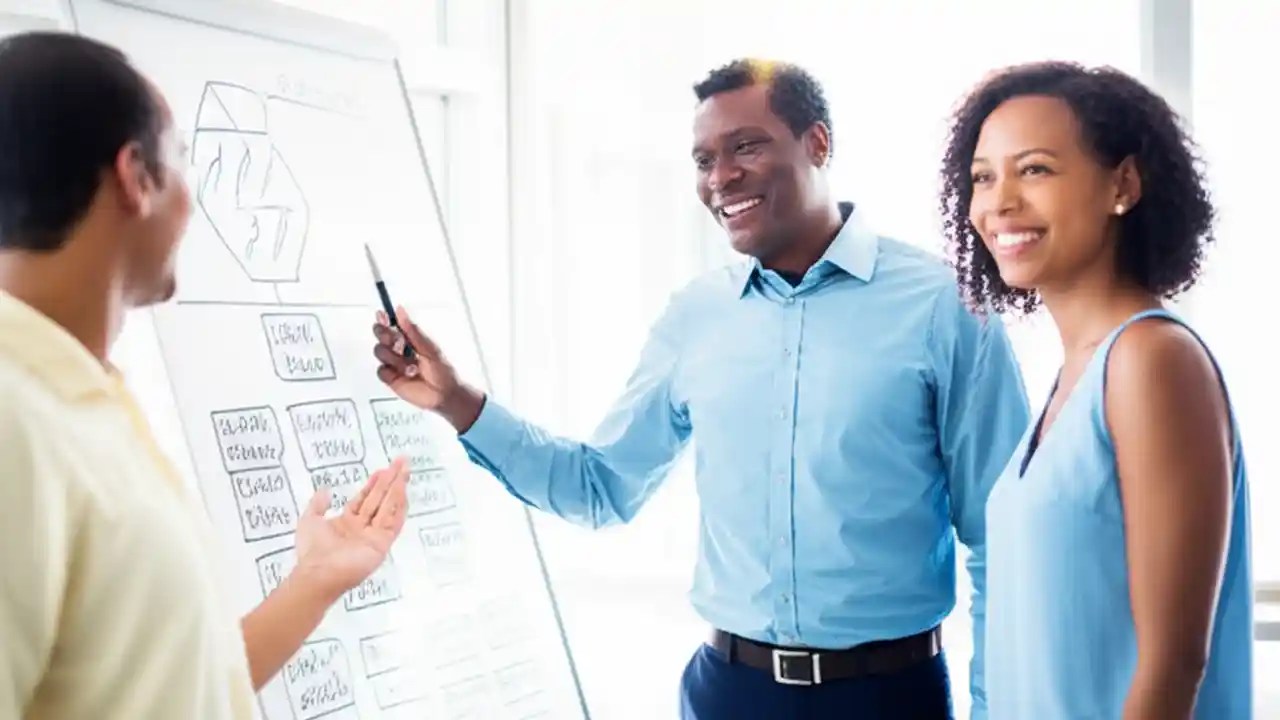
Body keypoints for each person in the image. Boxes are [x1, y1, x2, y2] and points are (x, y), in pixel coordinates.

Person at [374, 58, 1029, 720]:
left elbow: (1006, 542)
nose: (720, 178)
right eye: (703, 160)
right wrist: (457, 401)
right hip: (727, 694)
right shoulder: (696, 317)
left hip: (889, 698)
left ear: (818, 143)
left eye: (745, 146)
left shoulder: (945, 306)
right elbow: (600, 488)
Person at [0, 32, 410, 719]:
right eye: (186, 160)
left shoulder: (83, 404)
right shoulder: (16, 423)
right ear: (136, 177)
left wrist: (314, 580)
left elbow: (171, 691)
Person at [940, 60, 1253, 719]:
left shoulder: (1152, 361)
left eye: (1035, 169)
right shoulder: (1072, 379)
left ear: (1124, 185)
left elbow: (1172, 666)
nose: (998, 202)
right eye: (982, 177)